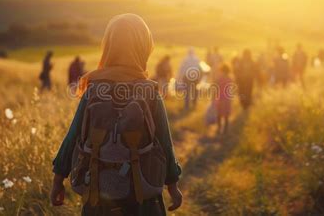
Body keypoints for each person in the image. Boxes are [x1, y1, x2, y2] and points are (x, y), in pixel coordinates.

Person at [50, 14, 182, 215]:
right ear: (143, 47)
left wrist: (58, 180)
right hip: (143, 197)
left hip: (98, 195)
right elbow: (165, 144)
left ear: (109, 46)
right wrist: (172, 185)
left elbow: (73, 136)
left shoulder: (94, 89)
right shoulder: (149, 92)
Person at [214, 63, 233, 134]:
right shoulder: (230, 79)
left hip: (220, 98)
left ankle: (219, 128)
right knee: (226, 115)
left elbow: (216, 88)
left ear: (222, 71)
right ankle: (225, 129)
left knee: (219, 114)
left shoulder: (219, 79)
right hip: (227, 99)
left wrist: (214, 97)